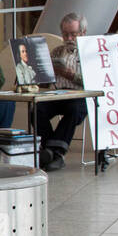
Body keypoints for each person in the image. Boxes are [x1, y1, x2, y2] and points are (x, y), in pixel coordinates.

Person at [37, 13, 89, 171]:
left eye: (73, 34)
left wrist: (70, 74)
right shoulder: (57, 51)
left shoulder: (89, 51)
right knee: (37, 109)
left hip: (82, 95)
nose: (69, 38)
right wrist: (42, 72)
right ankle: (51, 151)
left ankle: (55, 153)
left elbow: (94, 80)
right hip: (58, 93)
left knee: (74, 110)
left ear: (83, 32)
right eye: (65, 34)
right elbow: (45, 83)